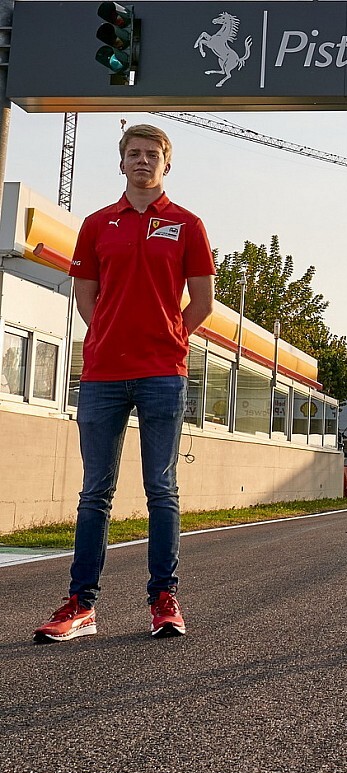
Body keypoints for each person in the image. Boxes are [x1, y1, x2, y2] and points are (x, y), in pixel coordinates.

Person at [34, 124, 216, 642]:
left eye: (151, 154)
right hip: (103, 375)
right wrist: (112, 337)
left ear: (166, 164)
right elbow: (86, 296)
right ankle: (81, 606)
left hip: (163, 373)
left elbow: (201, 303)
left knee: (161, 489)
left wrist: (168, 337)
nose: (142, 161)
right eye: (133, 153)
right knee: (95, 492)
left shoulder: (188, 225)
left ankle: (163, 600)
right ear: (121, 163)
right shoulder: (96, 225)